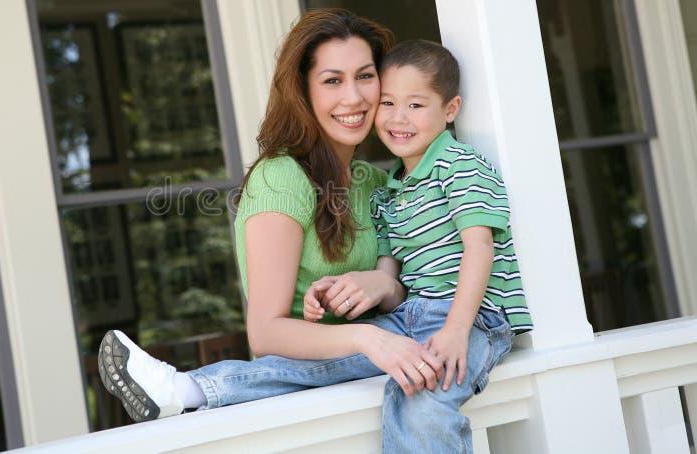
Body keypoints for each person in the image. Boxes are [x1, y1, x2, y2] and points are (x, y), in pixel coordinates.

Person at [100, 31, 534, 452]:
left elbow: (418, 268)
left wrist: (381, 285)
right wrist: (366, 334)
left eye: (366, 77)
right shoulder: (283, 177)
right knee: (312, 371)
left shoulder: (383, 183)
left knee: (423, 400)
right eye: (332, 80)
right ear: (304, 93)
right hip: (323, 405)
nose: (355, 97)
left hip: (433, 339)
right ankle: (185, 387)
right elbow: (267, 334)